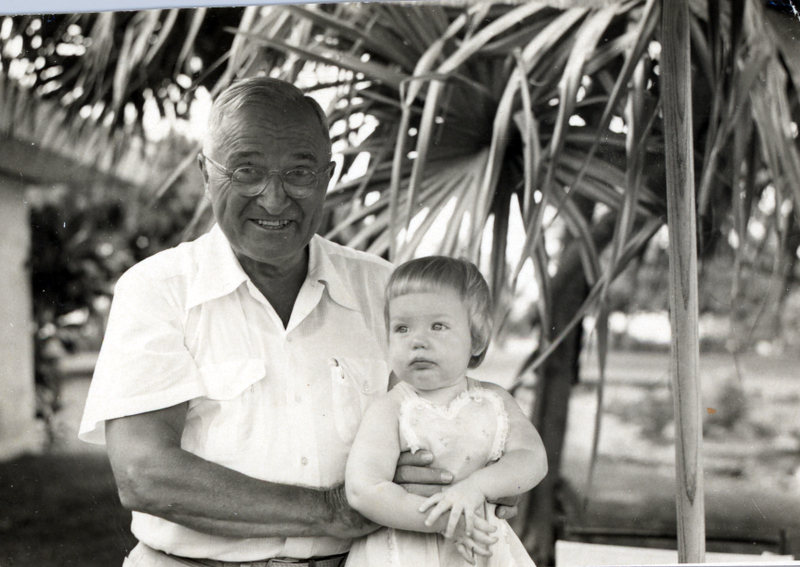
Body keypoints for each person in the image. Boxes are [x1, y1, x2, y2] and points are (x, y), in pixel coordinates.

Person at [78, 77, 514, 567]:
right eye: (246, 170)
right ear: (205, 172)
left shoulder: (384, 290)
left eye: (300, 173)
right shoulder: (158, 289)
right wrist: (331, 511)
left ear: (328, 176)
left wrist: (475, 473)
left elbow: (438, 427)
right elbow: (146, 473)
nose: (273, 198)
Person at [345, 256, 547, 566]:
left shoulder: (495, 399)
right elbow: (364, 489)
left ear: (476, 339)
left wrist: (477, 487)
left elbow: (532, 458)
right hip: (407, 550)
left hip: (482, 548)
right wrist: (443, 520)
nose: (418, 341)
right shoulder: (391, 408)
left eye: (438, 326)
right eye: (402, 328)